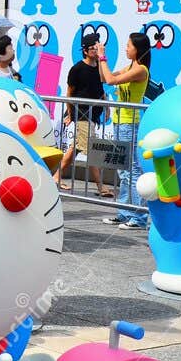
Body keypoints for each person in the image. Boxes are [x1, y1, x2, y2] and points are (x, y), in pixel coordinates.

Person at [100, 32, 152, 228]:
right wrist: (99, 59)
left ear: (138, 48)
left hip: (130, 123)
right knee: (123, 171)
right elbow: (107, 77)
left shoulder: (141, 70)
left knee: (132, 170)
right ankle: (124, 212)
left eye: (129, 45)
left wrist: (103, 57)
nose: (126, 48)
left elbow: (112, 81)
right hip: (119, 121)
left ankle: (138, 217)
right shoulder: (129, 66)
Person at [55, 30, 111, 198]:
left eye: (98, 47)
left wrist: (107, 108)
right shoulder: (77, 69)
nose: (97, 50)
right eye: (93, 48)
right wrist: (71, 113)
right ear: (86, 51)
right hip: (82, 114)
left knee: (76, 148)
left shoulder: (100, 67)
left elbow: (101, 90)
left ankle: (56, 176)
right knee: (91, 148)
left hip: (93, 115)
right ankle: (101, 186)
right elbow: (69, 93)